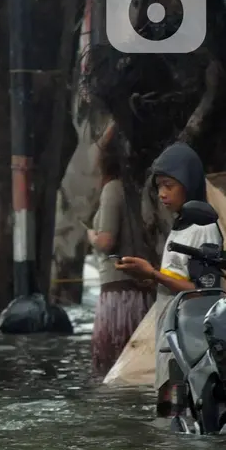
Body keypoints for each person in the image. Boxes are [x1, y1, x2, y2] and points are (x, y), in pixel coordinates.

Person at [115, 141, 222, 416]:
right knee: (168, 416)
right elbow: (175, 280)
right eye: (159, 186)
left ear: (188, 183)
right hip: (170, 337)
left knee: (180, 416)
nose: (162, 194)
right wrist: (148, 278)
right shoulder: (180, 226)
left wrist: (153, 273)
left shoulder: (203, 227)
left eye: (169, 186)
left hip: (189, 344)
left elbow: (203, 293)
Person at [87, 140, 154, 373]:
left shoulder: (112, 189)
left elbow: (106, 241)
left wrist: (91, 236)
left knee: (111, 363)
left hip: (118, 293)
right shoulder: (141, 189)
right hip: (142, 289)